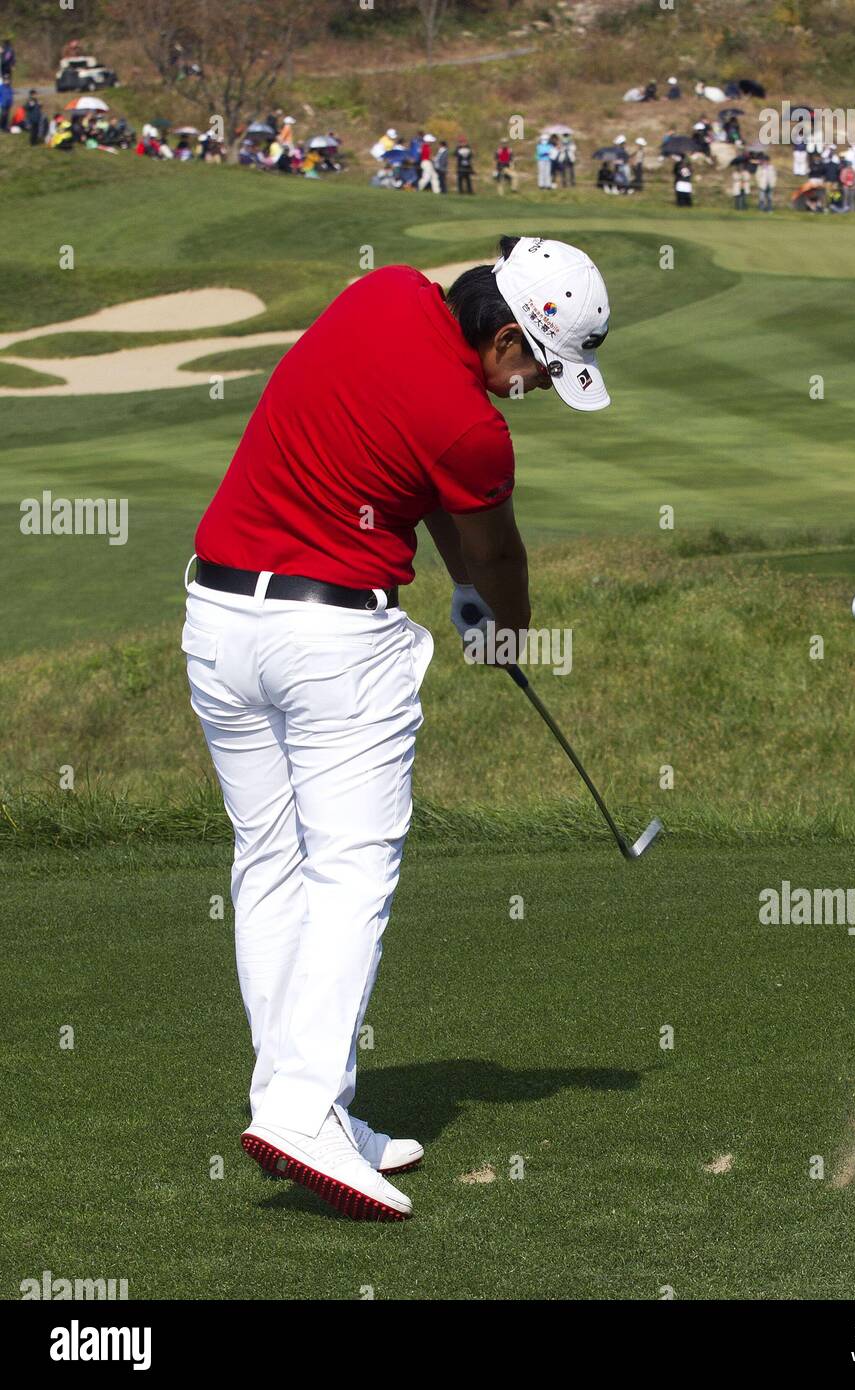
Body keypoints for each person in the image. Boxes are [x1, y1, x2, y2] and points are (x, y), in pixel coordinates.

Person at [184, 236, 613, 1222]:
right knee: (350, 870)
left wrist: (464, 603)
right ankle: (299, 1105)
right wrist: (504, 633)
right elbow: (492, 552)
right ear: (507, 335)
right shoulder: (473, 428)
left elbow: (401, 476)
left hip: (217, 621)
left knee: (270, 860)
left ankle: (304, 1102)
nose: (536, 389)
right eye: (541, 369)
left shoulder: (378, 295)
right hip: (331, 641)